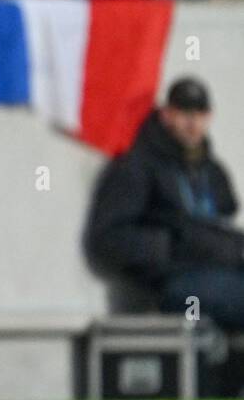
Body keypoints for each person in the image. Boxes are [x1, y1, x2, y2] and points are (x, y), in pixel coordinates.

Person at [84, 78, 244, 331]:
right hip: (172, 285)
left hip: (221, 274)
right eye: (184, 114)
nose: (193, 124)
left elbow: (219, 228)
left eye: (200, 114)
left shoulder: (212, 171)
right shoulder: (138, 165)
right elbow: (108, 240)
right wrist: (173, 247)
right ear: (167, 114)